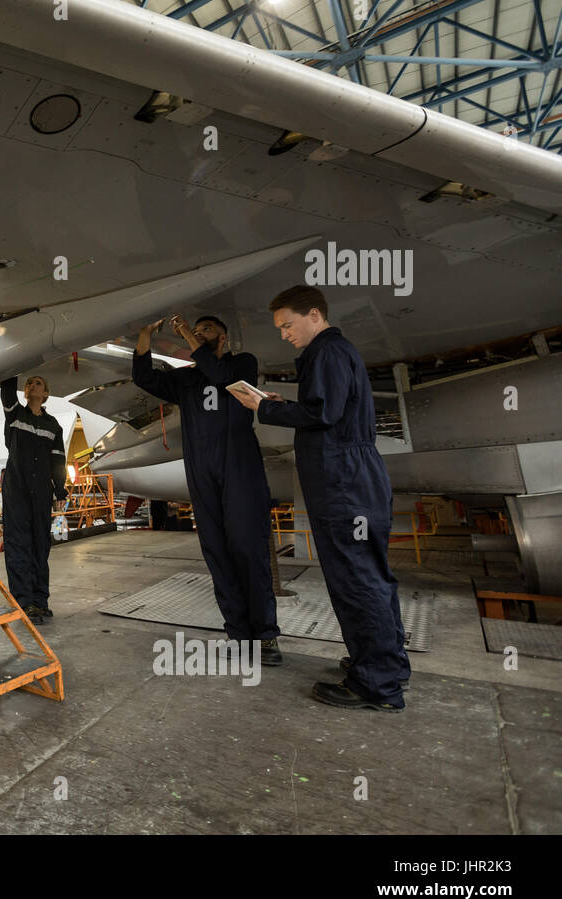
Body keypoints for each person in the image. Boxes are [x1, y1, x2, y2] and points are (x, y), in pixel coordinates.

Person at [230, 285, 410, 712]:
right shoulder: (338, 352)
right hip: (357, 474)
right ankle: (383, 664)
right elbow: (327, 409)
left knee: (355, 578)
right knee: (371, 575)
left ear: (314, 314)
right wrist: (283, 403)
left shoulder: (326, 353)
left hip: (343, 480)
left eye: (287, 325)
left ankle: (376, 685)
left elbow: (321, 415)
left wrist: (264, 409)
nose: (284, 335)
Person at [132, 314, 282, 666]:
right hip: (201, 469)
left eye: (207, 331)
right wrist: (143, 339)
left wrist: (185, 332)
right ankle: (239, 634)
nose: (199, 335)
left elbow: (221, 376)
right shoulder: (185, 380)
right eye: (196, 332)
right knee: (217, 552)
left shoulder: (242, 364)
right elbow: (145, 377)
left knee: (249, 548)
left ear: (225, 338)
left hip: (239, 464)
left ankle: (266, 637)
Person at [0, 374, 67, 625]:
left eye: (38, 383)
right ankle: (24, 602)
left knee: (41, 544)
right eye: (28, 383)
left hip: (41, 492)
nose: (31, 386)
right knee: (19, 545)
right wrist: (14, 362)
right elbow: (7, 392)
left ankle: (40, 600)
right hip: (17, 490)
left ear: (46, 393)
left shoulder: (53, 425)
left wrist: (60, 491)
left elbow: (58, 461)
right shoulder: (16, 415)